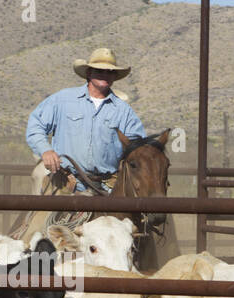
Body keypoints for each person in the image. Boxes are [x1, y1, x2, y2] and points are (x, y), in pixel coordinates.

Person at [25, 47, 145, 194]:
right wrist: (46, 150)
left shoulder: (123, 111)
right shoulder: (63, 100)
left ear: (115, 77)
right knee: (42, 216)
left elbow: (139, 148)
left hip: (108, 188)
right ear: (89, 73)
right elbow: (36, 125)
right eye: (99, 70)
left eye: (110, 72)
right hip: (65, 183)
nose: (105, 75)